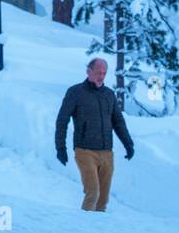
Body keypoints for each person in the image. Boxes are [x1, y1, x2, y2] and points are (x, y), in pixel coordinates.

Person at [55, 58, 134, 212]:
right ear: (88, 72)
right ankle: (83, 228)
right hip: (85, 151)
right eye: (98, 72)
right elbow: (62, 120)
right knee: (93, 193)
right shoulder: (75, 92)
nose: (101, 76)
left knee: (103, 199)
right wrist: (60, 148)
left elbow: (118, 121)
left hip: (106, 153)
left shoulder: (109, 95)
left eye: (104, 73)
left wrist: (128, 144)